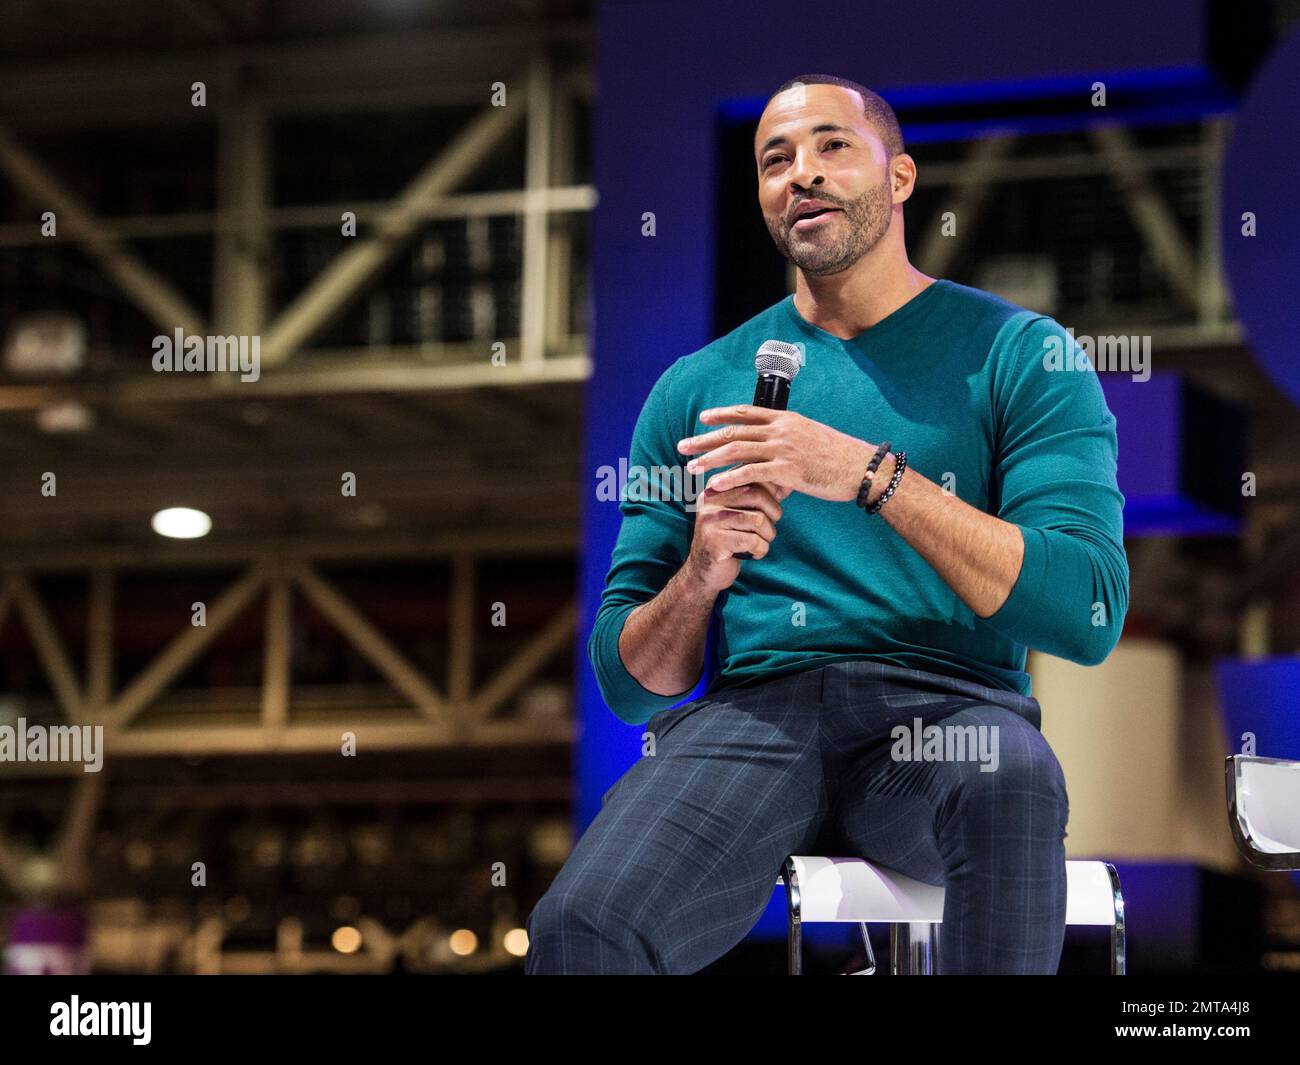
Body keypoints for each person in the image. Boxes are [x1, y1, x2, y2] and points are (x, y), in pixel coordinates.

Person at [526, 74, 1129, 974]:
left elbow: (1084, 610)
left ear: (901, 177)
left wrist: (869, 475)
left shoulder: (1021, 354)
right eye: (776, 159)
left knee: (1013, 776)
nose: (800, 173)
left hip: (946, 717)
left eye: (831, 146)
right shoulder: (695, 387)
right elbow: (631, 682)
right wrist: (699, 574)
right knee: (582, 923)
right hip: (753, 724)